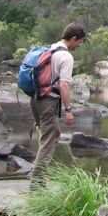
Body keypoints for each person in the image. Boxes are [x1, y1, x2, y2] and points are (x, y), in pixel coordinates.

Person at [30, 22, 87, 182]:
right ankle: (37, 181)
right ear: (74, 38)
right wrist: (68, 110)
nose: (79, 45)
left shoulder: (50, 48)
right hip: (48, 101)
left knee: (52, 135)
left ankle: (36, 171)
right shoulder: (66, 56)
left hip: (35, 98)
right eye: (80, 42)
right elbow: (63, 84)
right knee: (49, 140)